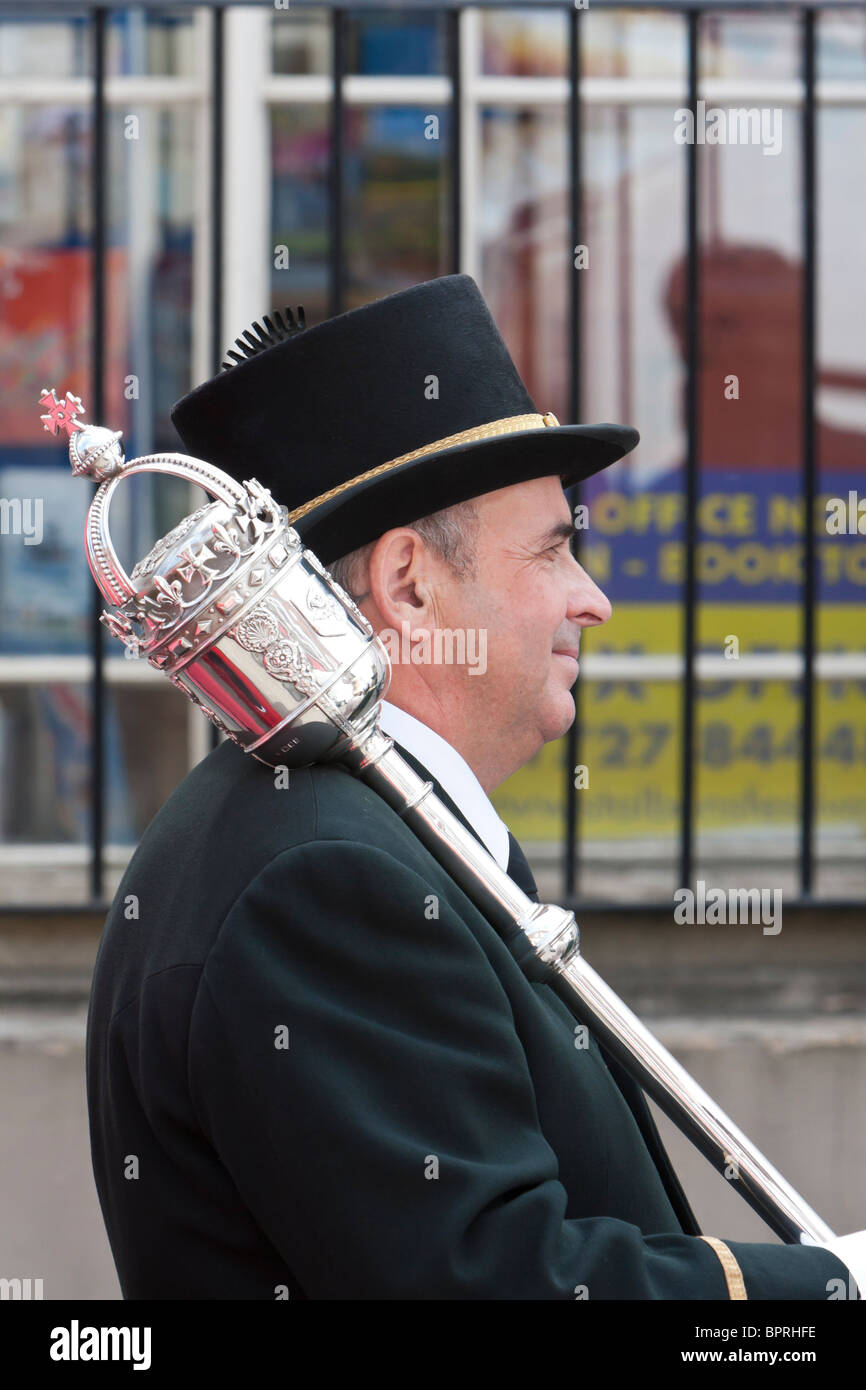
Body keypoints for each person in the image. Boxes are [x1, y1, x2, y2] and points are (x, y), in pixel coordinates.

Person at [86, 274, 861, 1299]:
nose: (593, 600)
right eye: (551, 549)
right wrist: (825, 1293)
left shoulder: (358, 824)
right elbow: (492, 1284)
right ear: (410, 584)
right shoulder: (327, 875)